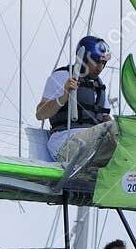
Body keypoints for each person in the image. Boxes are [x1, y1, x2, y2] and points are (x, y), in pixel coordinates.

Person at [35, 35, 118, 178]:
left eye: (104, 63)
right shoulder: (62, 76)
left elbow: (106, 120)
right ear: (85, 59)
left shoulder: (98, 85)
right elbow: (40, 114)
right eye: (97, 62)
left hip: (92, 147)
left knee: (126, 129)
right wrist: (64, 96)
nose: (100, 67)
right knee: (114, 128)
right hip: (66, 145)